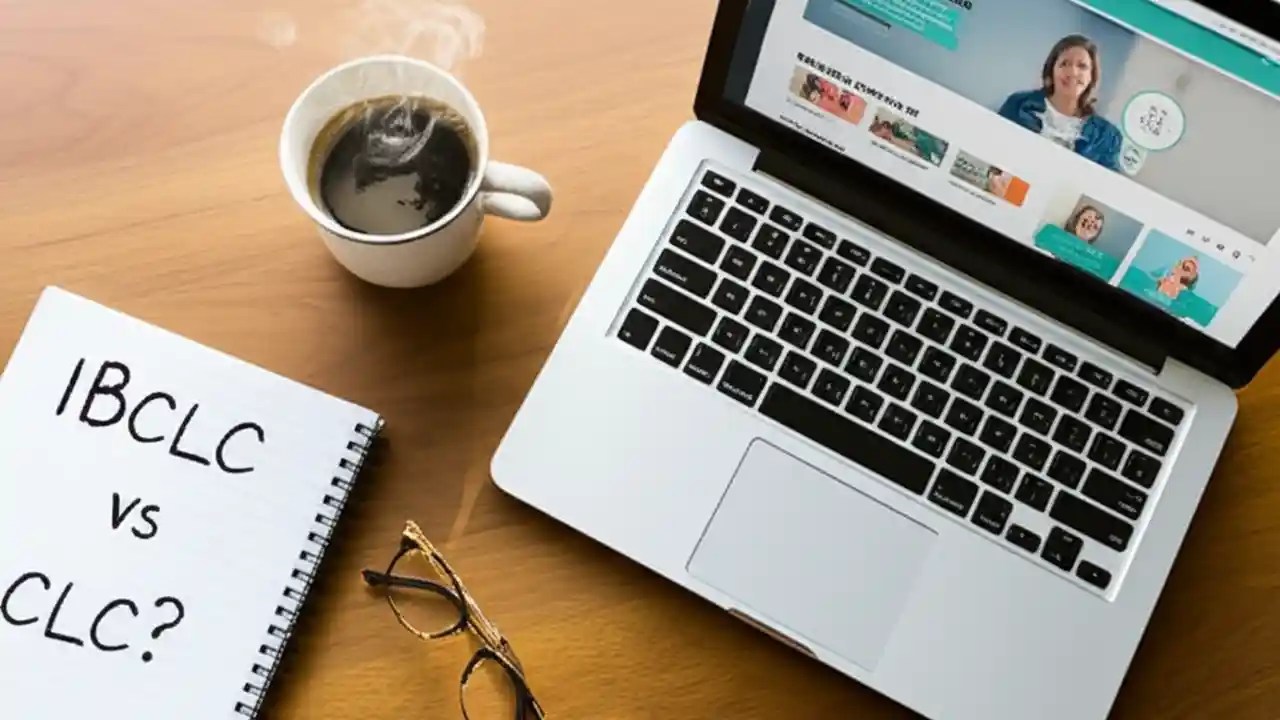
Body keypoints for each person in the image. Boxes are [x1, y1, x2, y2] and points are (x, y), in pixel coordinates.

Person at [998, 35, 1123, 171]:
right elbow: (992, 149)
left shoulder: (1107, 136)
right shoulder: (1018, 104)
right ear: (1052, 70)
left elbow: (1104, 188)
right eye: (1065, 64)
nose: (1073, 72)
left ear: (1092, 77)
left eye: (1082, 66)